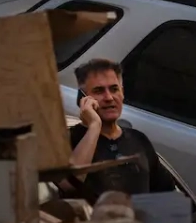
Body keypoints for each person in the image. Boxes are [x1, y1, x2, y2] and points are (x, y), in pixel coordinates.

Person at [66, 58, 174, 196]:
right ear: (83, 98)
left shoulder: (139, 140)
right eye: (99, 91)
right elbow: (69, 186)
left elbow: (167, 196)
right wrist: (94, 126)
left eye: (114, 89)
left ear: (122, 93)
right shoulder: (69, 139)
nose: (109, 97)